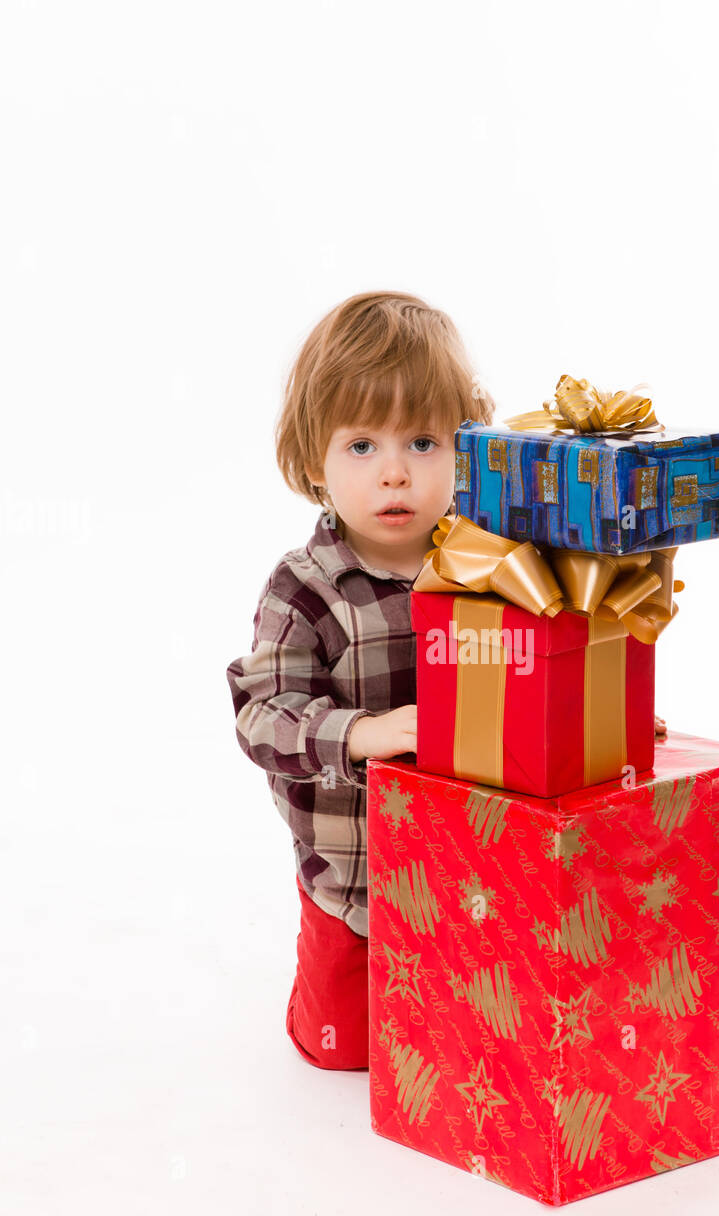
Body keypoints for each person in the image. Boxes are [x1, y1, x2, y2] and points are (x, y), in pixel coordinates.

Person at [225, 290, 493, 1070]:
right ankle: (326, 1005)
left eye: (422, 440)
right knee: (345, 1049)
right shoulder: (306, 588)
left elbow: (547, 664)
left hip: (475, 869)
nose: (396, 474)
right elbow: (263, 717)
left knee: (467, 1034)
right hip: (358, 874)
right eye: (362, 447)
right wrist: (362, 735)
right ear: (315, 460)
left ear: (465, 449)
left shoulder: (490, 565)